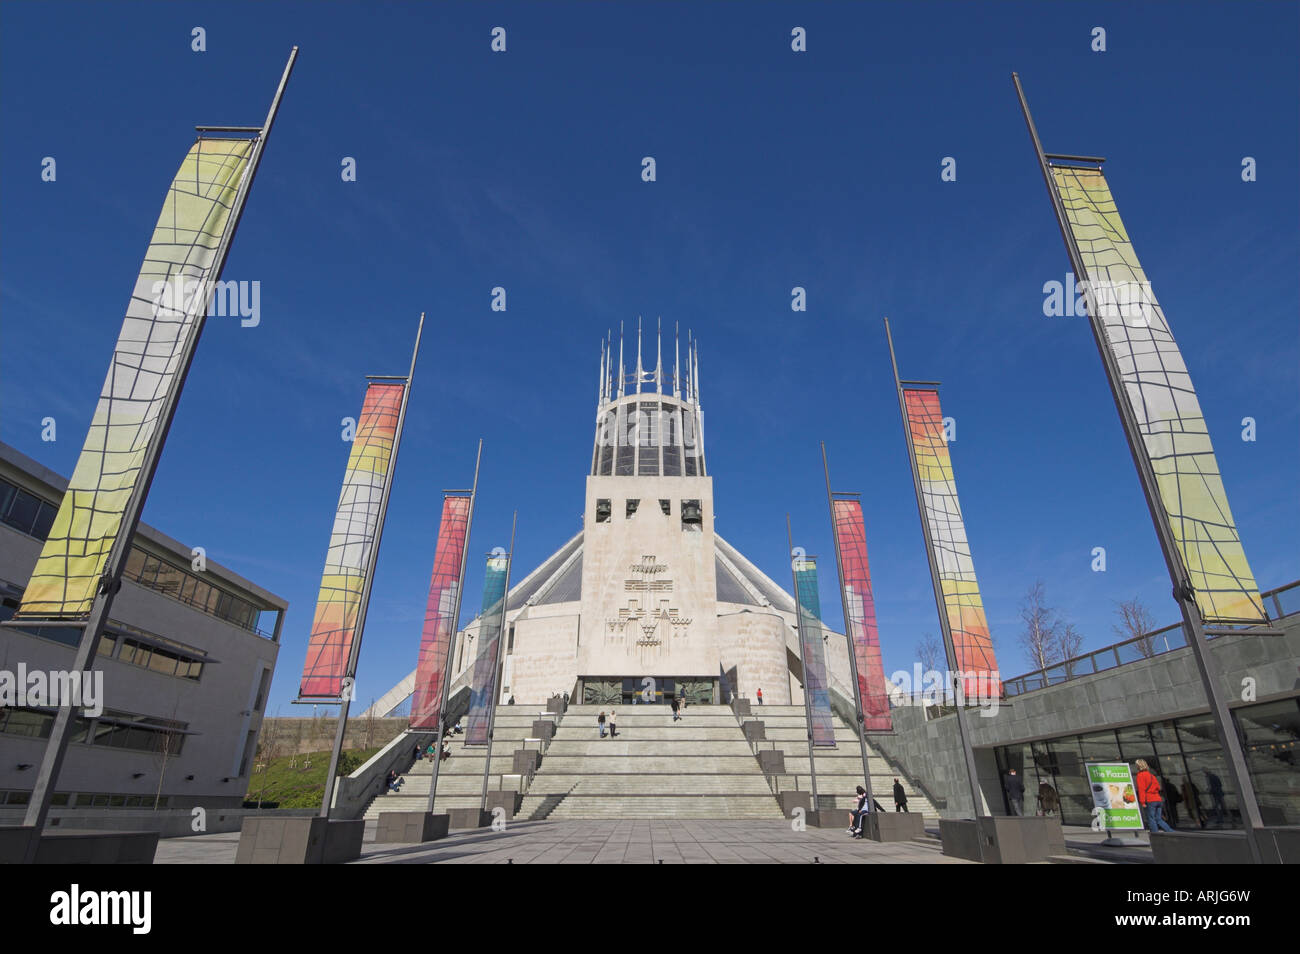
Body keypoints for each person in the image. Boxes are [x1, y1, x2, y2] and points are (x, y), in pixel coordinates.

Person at [1135, 758, 1174, 833]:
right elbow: (1158, 787)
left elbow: (1141, 789)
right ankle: (1170, 831)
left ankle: (1155, 834)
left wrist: (1142, 802)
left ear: (1138, 766)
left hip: (1149, 800)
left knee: (1151, 818)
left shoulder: (1140, 775)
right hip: (1158, 799)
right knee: (1158, 819)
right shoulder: (1151, 775)